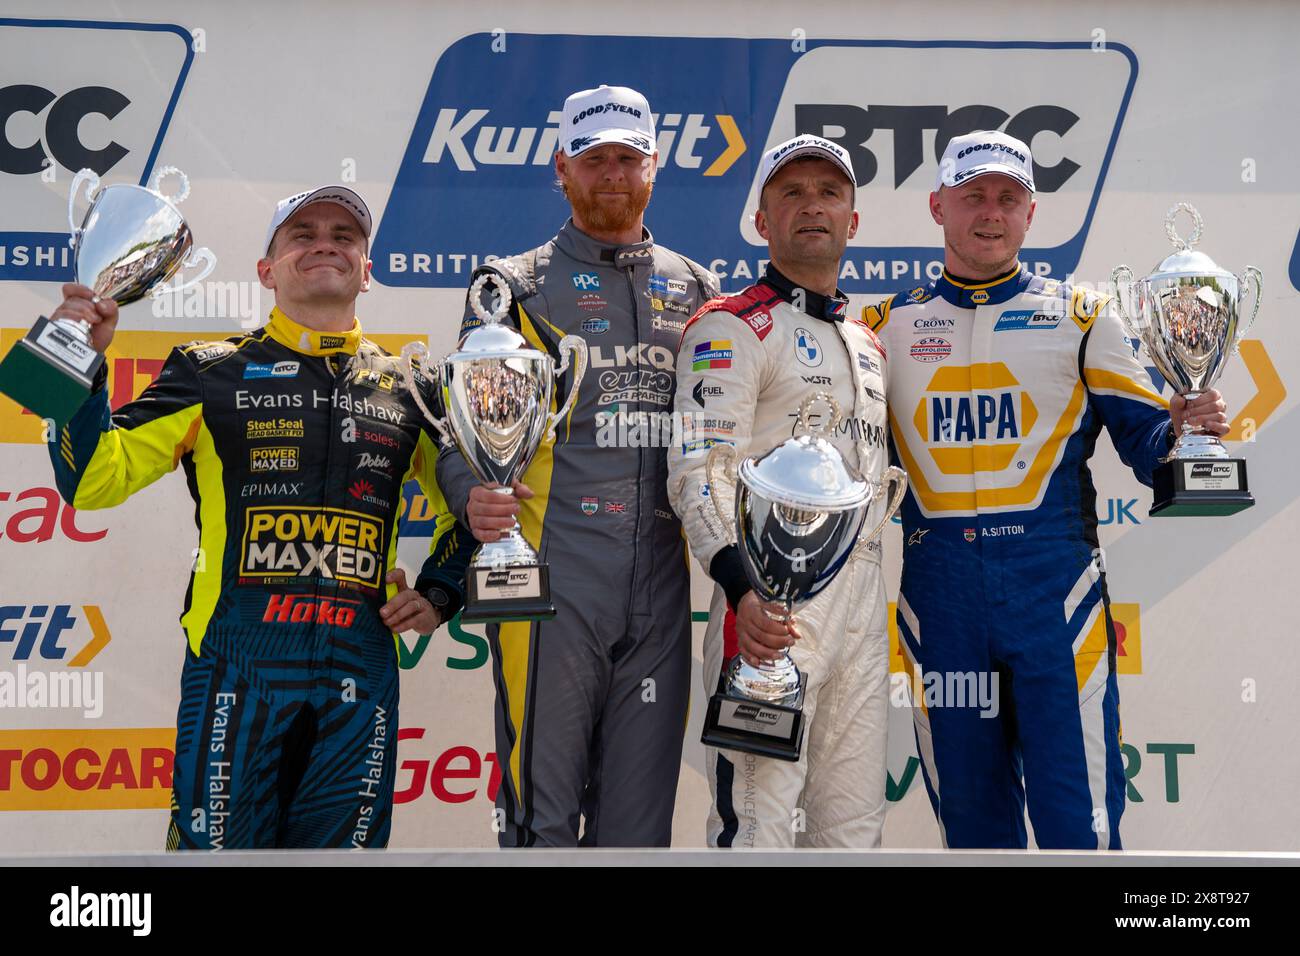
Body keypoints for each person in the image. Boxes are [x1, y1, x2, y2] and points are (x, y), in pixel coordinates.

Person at [46, 185, 476, 849]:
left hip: (356, 676)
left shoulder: (414, 387)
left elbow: (478, 508)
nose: (325, 243)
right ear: (266, 270)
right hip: (236, 667)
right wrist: (83, 360)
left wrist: (441, 591)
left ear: (368, 269)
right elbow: (92, 481)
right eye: (301, 235)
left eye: (344, 234)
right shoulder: (208, 371)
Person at [864, 131, 1229, 849]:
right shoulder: (882, 327)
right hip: (940, 601)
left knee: (1080, 825)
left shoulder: (1085, 316)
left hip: (1054, 597)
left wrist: (1185, 429)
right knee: (973, 833)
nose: (990, 213)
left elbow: (1150, 449)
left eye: (1008, 198)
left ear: (1032, 214)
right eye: (973, 197)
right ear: (939, 206)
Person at [436, 85, 719, 847]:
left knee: (638, 830)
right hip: (552, 579)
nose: (613, 175)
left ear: (654, 167)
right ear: (561, 167)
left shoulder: (696, 289)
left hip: (661, 588)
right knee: (543, 816)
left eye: (628, 158)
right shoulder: (514, 284)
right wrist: (473, 498)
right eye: (595, 160)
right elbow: (465, 433)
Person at [667, 135, 891, 848]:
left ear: (853, 221)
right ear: (761, 222)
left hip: (862, 601)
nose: (812, 206)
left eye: (829, 193)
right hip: (768, 604)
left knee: (853, 829)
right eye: (790, 193)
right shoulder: (731, 325)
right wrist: (742, 589)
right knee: (760, 821)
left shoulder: (867, 343)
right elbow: (698, 471)